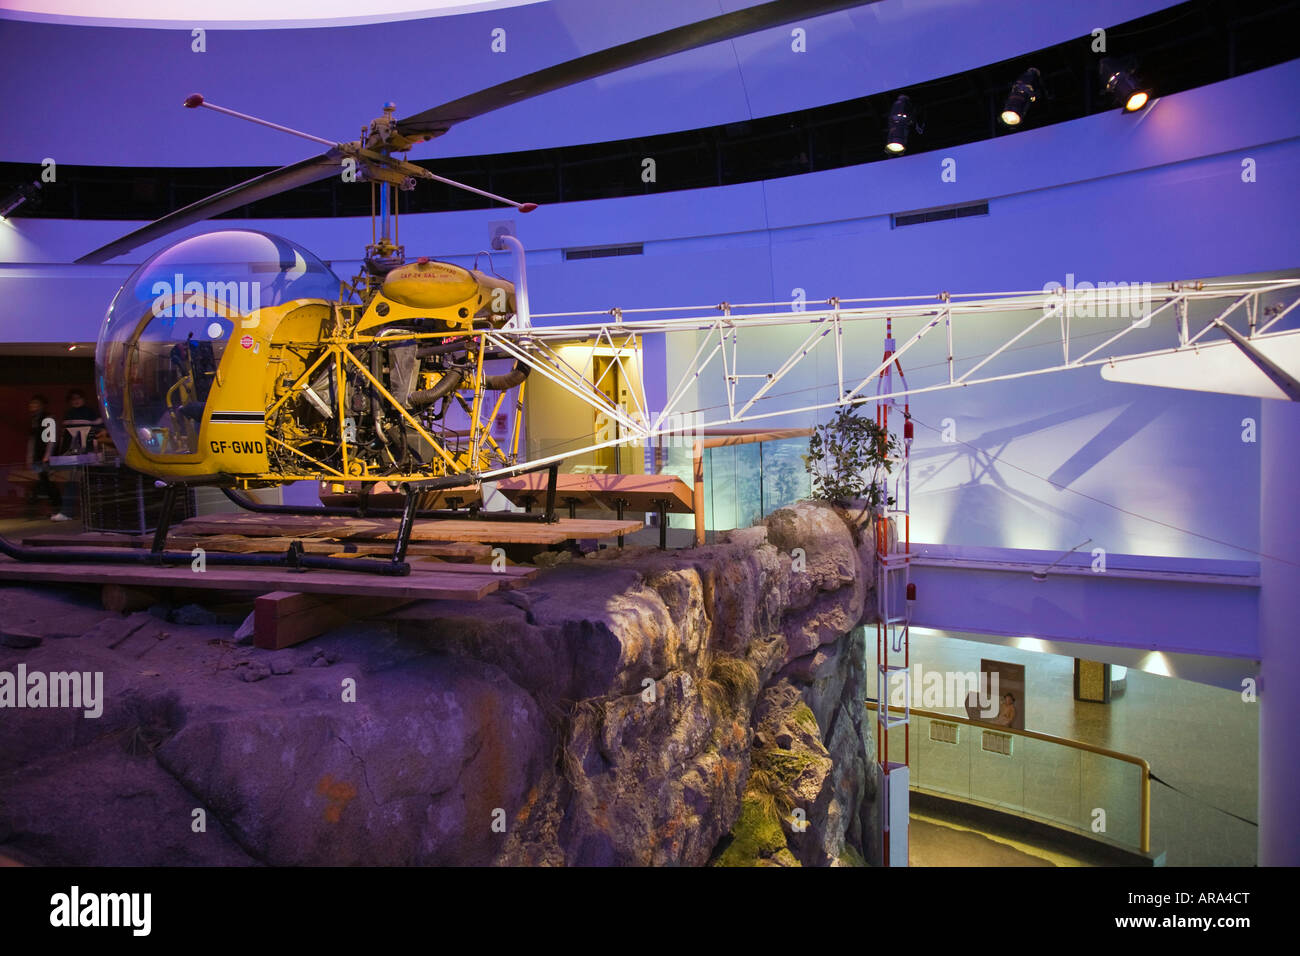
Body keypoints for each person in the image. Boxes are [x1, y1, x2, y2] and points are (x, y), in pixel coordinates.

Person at [25, 394, 68, 521]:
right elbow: (32, 440)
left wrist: (48, 455)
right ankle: (55, 506)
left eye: (36, 404)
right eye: (32, 404)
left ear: (42, 405)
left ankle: (57, 506)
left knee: (47, 481)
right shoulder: (34, 420)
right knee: (44, 481)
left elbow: (52, 438)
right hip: (38, 455)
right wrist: (30, 456)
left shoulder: (48, 418)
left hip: (47, 456)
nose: (33, 406)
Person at [61, 388, 104, 455]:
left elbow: (100, 429)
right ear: (70, 401)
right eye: (73, 399)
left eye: (79, 398)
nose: (76, 401)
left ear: (84, 399)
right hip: (72, 447)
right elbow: (64, 433)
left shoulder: (91, 412)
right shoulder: (68, 414)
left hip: (89, 445)